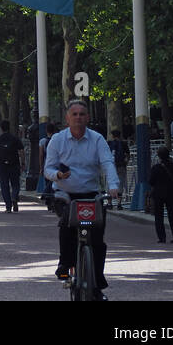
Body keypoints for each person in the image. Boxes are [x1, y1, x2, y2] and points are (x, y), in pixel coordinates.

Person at [44, 99, 120, 299]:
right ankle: (64, 263)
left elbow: (107, 163)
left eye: (82, 114)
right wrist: (58, 176)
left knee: (97, 238)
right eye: (74, 114)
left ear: (88, 117)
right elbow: (48, 169)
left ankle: (96, 283)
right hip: (65, 195)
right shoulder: (57, 140)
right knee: (66, 227)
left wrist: (113, 186)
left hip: (91, 194)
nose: (78, 117)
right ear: (67, 118)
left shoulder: (97, 139)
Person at [148, 146, 173, 243]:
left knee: (159, 215)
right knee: (172, 214)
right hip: (171, 192)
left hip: (158, 193)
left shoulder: (156, 168)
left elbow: (151, 181)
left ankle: (161, 237)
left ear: (159, 156)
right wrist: (172, 183)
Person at [0, 120, 24, 212]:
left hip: (2, 165)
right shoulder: (15, 139)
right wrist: (22, 163)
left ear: (1, 128)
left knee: (4, 186)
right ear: (9, 127)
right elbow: (21, 151)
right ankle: (14, 197)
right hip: (14, 164)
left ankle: (8, 206)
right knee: (15, 184)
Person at [107, 131, 130, 206]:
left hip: (111, 167)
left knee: (110, 183)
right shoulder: (124, 143)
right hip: (121, 166)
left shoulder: (109, 143)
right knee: (120, 184)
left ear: (113, 136)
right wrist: (125, 162)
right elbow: (127, 154)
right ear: (120, 136)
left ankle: (109, 203)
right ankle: (119, 203)